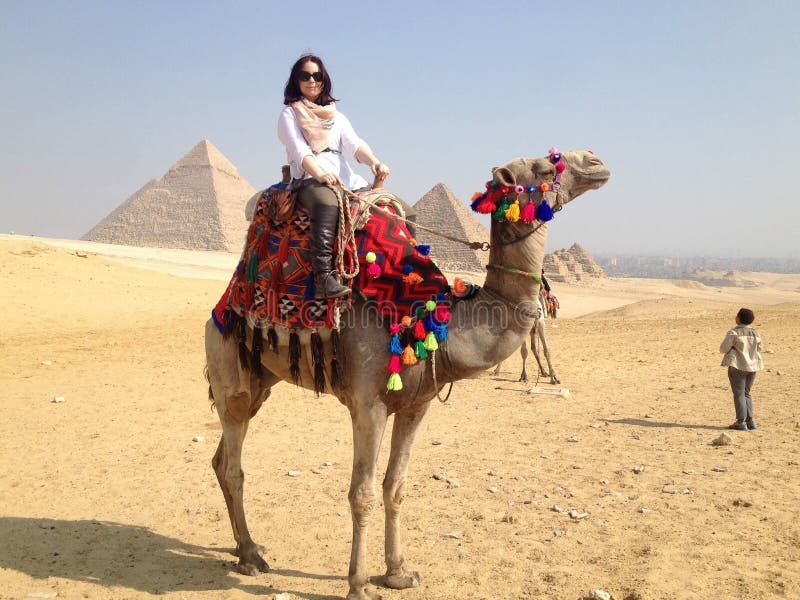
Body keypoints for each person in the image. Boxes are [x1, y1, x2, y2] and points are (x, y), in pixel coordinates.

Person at [278, 54, 390, 299]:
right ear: (296, 81)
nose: (311, 81)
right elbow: (299, 151)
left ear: (324, 79)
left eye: (317, 75)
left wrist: (374, 162)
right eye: (305, 75)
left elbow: (355, 145)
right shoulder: (290, 114)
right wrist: (320, 174)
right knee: (328, 202)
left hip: (346, 180)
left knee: (397, 209)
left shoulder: (337, 117)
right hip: (309, 179)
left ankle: (397, 272)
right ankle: (323, 278)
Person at [719, 307, 764, 430]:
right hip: (753, 367)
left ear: (738, 318)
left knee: (738, 393)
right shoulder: (756, 333)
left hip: (738, 366)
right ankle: (750, 421)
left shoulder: (733, 332)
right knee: (746, 393)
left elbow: (723, 348)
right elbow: (759, 349)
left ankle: (740, 422)